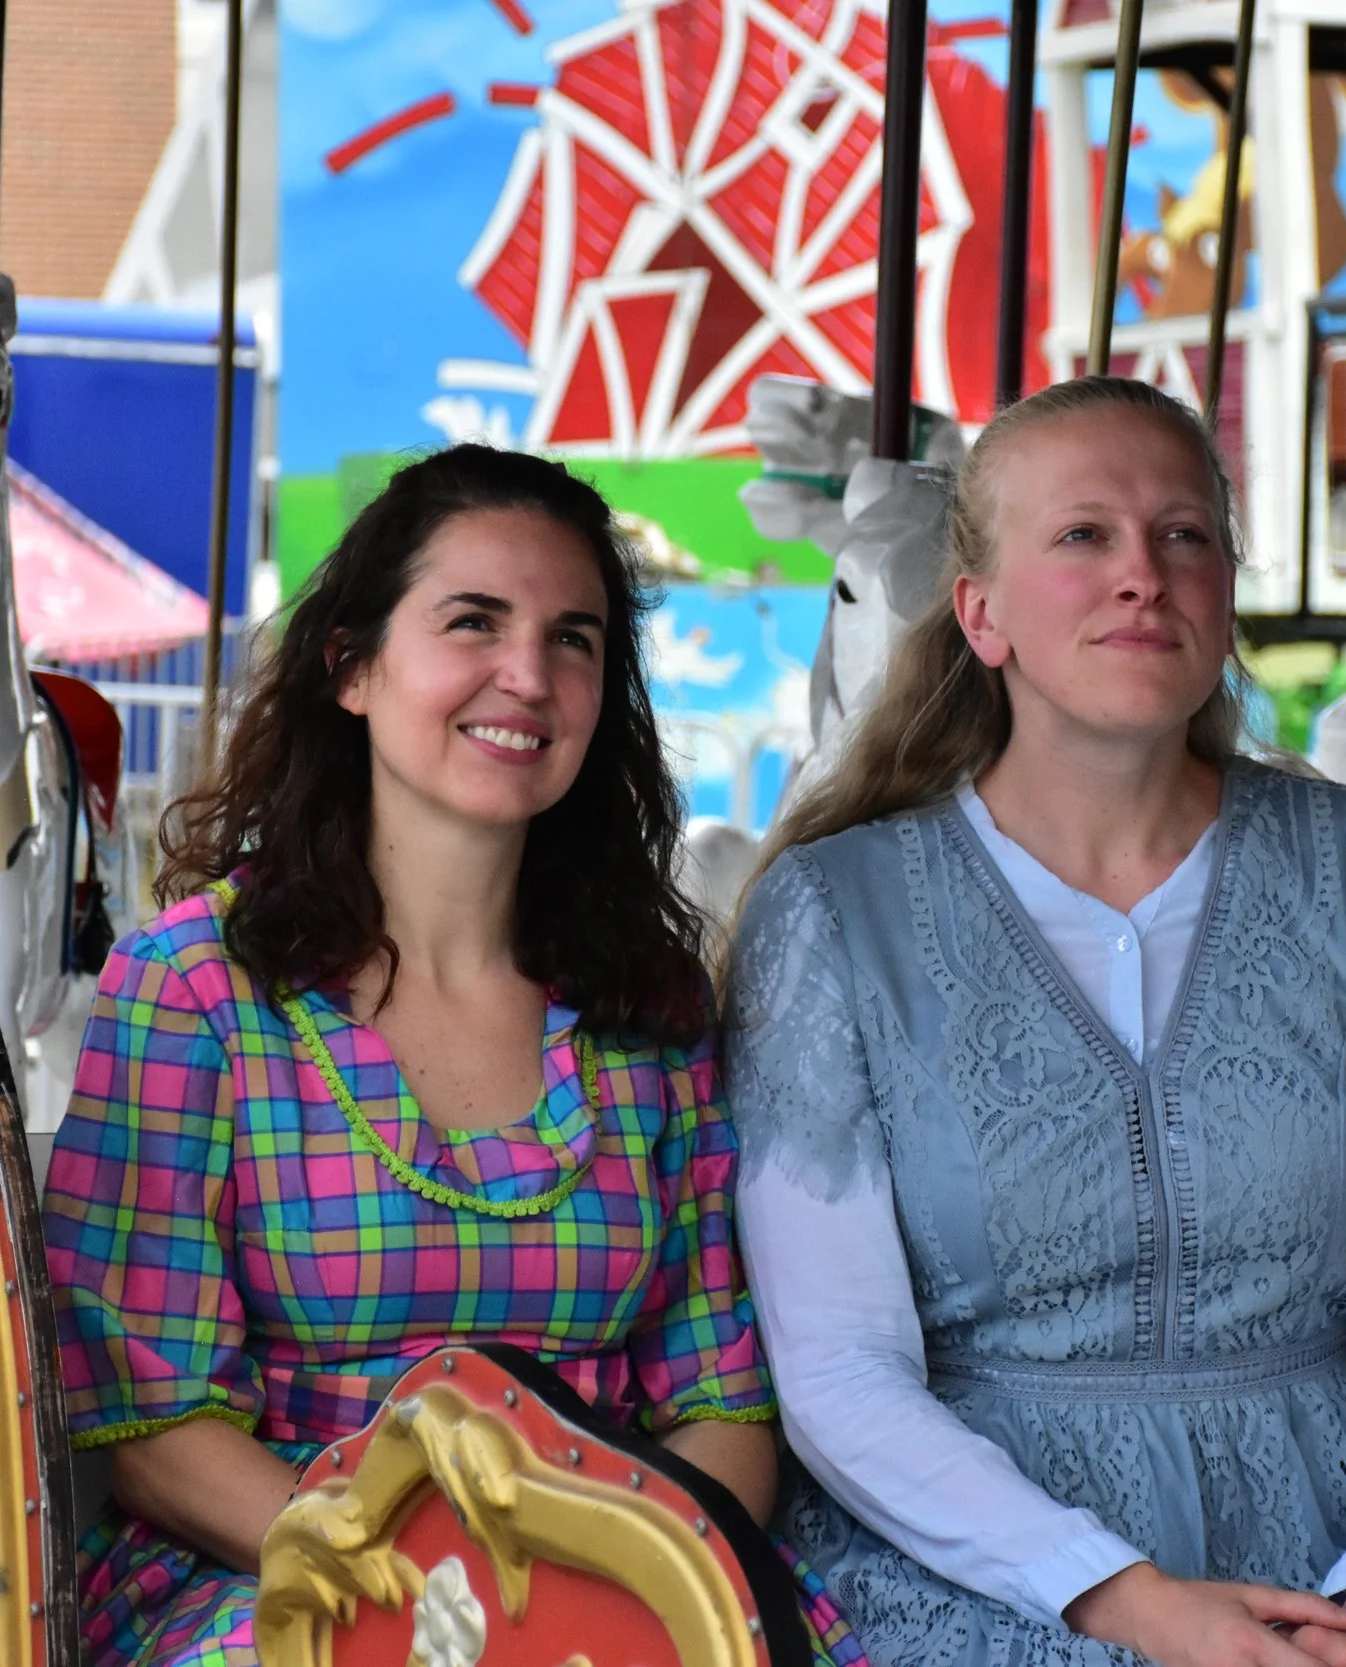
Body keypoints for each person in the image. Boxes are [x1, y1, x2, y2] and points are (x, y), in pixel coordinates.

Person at [724, 377, 1346, 1667]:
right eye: (1082, 535)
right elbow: (838, 1368)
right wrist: (1123, 1596)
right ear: (979, 614)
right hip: (969, 1573)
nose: (1142, 576)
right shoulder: (833, 912)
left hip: (1332, 1553)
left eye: (1183, 534)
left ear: (1224, 592)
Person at [42, 445, 864, 1667]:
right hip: (280, 1569)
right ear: (355, 666)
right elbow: (154, 1421)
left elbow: (723, 1400)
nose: (527, 674)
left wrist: (615, 1591)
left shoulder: (648, 1005)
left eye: (574, 637)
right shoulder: (196, 989)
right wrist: (421, 1600)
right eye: (473, 620)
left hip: (620, 1580)